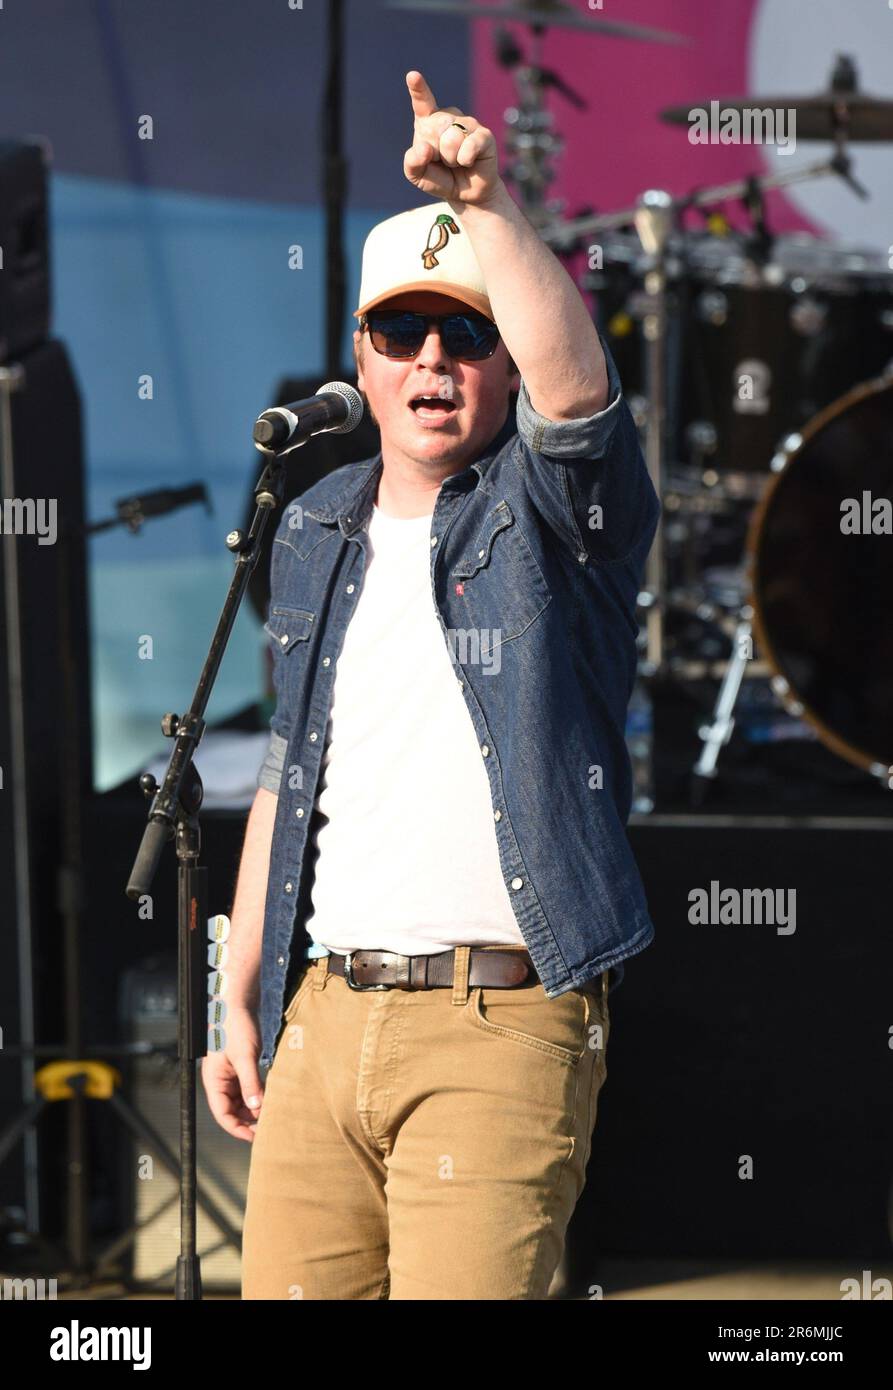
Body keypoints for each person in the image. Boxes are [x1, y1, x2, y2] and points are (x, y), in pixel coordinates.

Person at [202, 69, 660, 1300]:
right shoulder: (312, 525)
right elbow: (287, 779)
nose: (433, 361)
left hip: (498, 1022)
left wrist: (492, 208)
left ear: (502, 361)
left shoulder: (546, 512)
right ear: (361, 351)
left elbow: (578, 404)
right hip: (325, 1013)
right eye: (402, 333)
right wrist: (232, 994)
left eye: (467, 333)